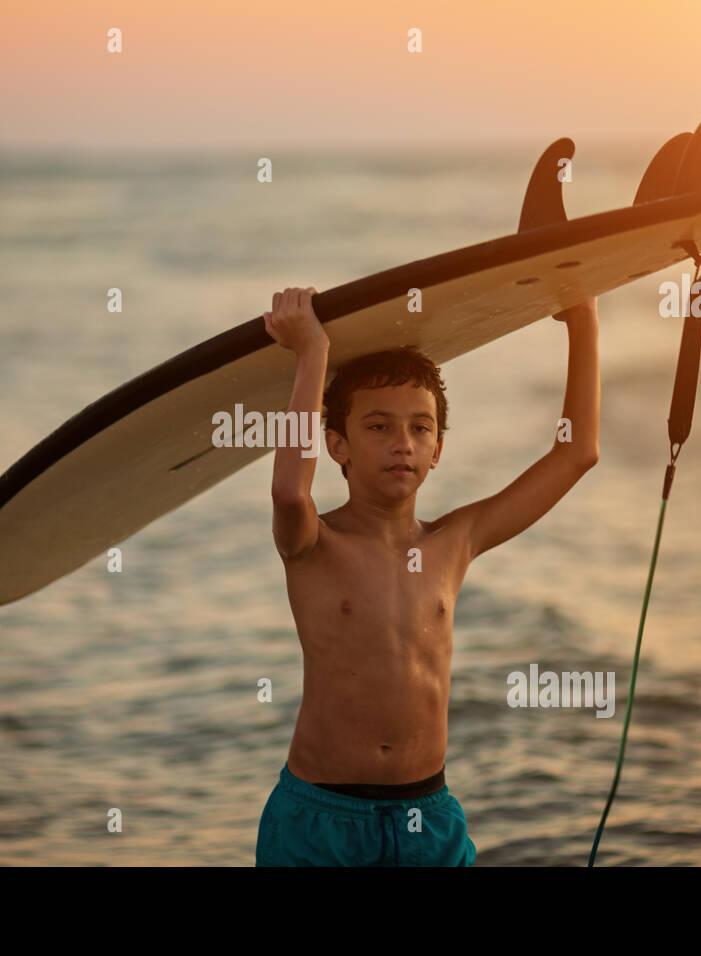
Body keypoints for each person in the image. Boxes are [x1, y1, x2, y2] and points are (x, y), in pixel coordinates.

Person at [255, 286, 599, 866]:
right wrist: (311, 351)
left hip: (427, 817)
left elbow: (577, 454)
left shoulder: (455, 541)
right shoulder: (313, 543)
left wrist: (583, 318)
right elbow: (290, 490)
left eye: (420, 428)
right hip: (321, 820)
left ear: (438, 448)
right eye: (379, 427)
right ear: (335, 443)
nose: (403, 445)